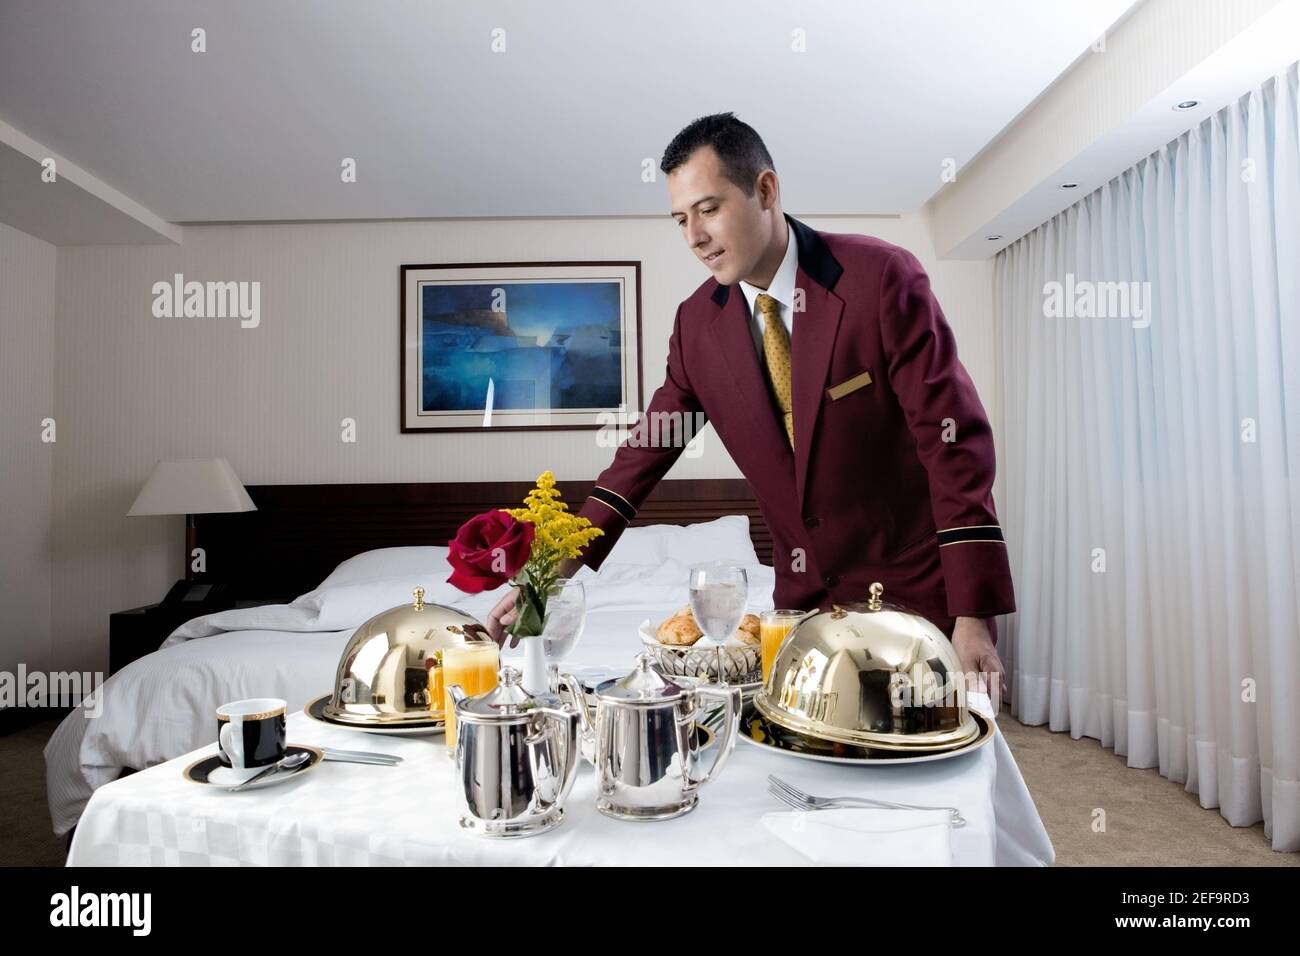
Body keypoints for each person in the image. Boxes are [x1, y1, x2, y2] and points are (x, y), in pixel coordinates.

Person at [487, 112, 1011, 699]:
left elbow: (954, 444)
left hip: (917, 598)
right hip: (803, 613)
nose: (694, 236)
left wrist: (973, 611)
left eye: (708, 209)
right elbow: (646, 449)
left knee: (933, 777)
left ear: (765, 190)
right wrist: (556, 570)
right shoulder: (697, 325)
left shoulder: (881, 278)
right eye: (680, 219)